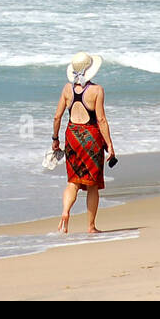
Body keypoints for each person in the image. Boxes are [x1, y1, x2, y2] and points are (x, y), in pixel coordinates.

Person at [51, 52, 116, 234]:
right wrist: (110, 144)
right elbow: (101, 120)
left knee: (73, 181)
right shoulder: (96, 90)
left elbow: (57, 116)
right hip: (91, 138)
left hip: (71, 136)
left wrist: (55, 139)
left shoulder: (66, 89)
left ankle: (65, 212)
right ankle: (91, 226)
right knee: (92, 184)